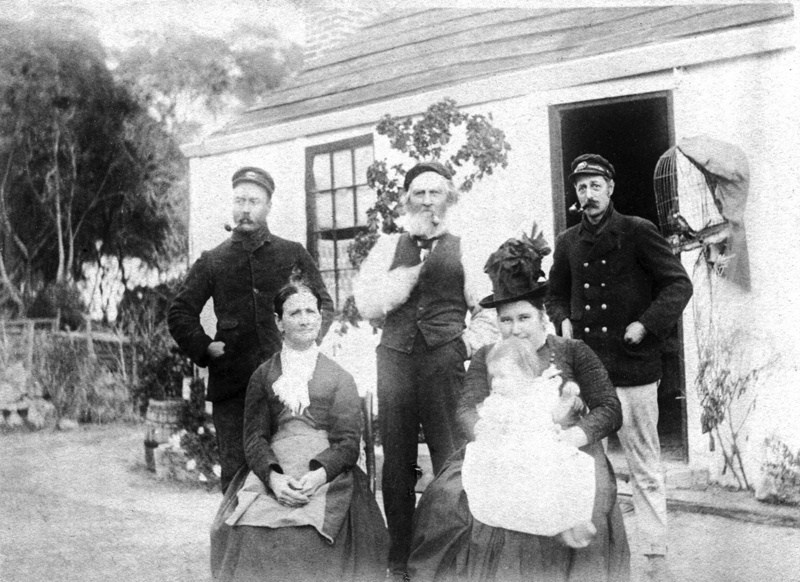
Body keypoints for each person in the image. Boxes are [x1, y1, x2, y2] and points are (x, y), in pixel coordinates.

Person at [408, 230, 630, 582]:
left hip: (565, 446)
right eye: (505, 320)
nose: (514, 329)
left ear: (542, 316)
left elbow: (608, 408)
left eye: (523, 318)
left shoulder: (573, 351)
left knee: (588, 493)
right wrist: (483, 429)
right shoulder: (487, 356)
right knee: (448, 497)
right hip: (503, 444)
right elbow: (467, 405)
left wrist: (575, 435)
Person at [547, 154, 693, 582]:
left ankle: (653, 556)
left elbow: (677, 284)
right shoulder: (568, 242)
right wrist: (563, 320)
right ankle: (594, 551)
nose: (587, 195)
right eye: (580, 187)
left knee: (644, 464)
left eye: (595, 185)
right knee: (588, 462)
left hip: (633, 367)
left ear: (610, 188)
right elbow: (555, 295)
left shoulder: (638, 231)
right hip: (589, 372)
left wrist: (645, 324)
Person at [353, 161, 496, 578]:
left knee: (450, 455)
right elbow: (366, 304)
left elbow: (486, 310)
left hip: (443, 362)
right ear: (407, 200)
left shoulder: (465, 244)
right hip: (394, 359)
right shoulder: (387, 246)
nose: (428, 201)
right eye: (419, 193)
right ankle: (399, 557)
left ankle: (449, 552)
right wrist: (406, 277)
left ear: (448, 199)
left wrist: (461, 347)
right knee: (396, 462)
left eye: (436, 193)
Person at [168, 167, 334, 493]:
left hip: (286, 383)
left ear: (268, 206)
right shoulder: (213, 260)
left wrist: (304, 345)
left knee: (288, 466)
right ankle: (233, 542)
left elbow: (324, 305)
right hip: (232, 386)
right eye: (239, 200)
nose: (245, 209)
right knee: (236, 473)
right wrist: (205, 347)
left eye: (254, 201)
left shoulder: (292, 253)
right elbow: (180, 312)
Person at [209, 282, 388, 582]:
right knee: (247, 528)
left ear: (319, 317)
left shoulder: (339, 376)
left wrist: (318, 477)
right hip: (275, 466)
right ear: (279, 322)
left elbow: (347, 442)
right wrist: (275, 480)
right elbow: (254, 438)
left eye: (311, 311)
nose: (305, 319)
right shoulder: (263, 375)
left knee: (314, 533)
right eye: (294, 313)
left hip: (325, 471)